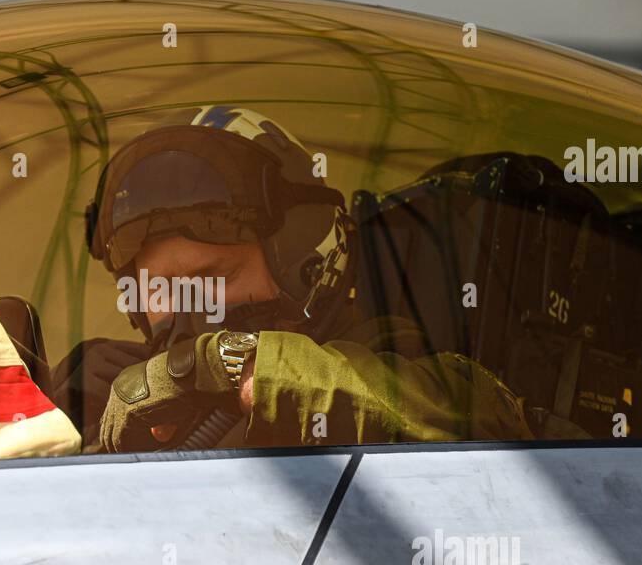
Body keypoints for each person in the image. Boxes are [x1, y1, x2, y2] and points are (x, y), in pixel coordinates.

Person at [49, 106, 539, 453]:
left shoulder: (383, 353)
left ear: (304, 264)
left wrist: (232, 367)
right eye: (158, 289)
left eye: (214, 275)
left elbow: (484, 421)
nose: (187, 305)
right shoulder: (110, 385)